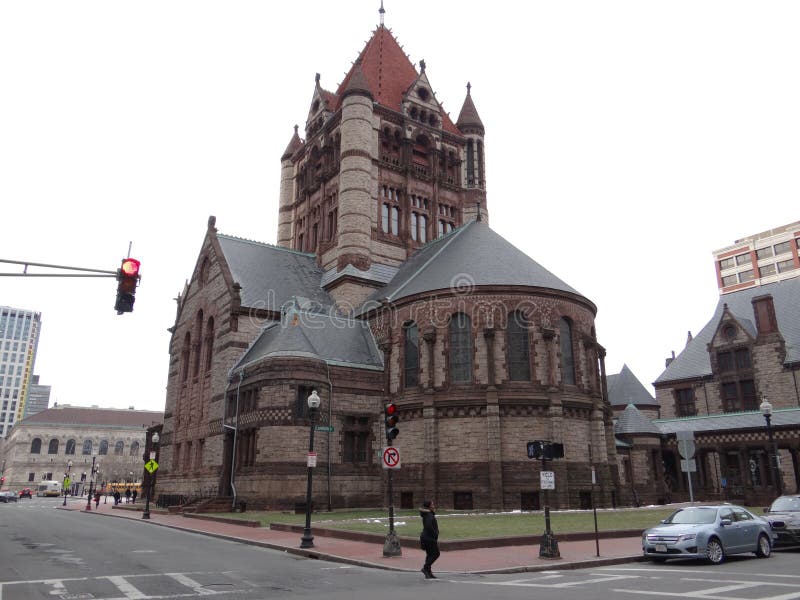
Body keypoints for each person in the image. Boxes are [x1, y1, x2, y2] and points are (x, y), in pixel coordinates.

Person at [419, 500, 440, 579]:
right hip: (429, 538)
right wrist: (435, 534)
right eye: (432, 504)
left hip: (426, 537)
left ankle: (428, 572)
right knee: (436, 554)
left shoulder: (427, 514)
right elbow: (428, 526)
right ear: (429, 506)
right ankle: (425, 568)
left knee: (430, 555)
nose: (434, 506)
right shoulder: (429, 515)